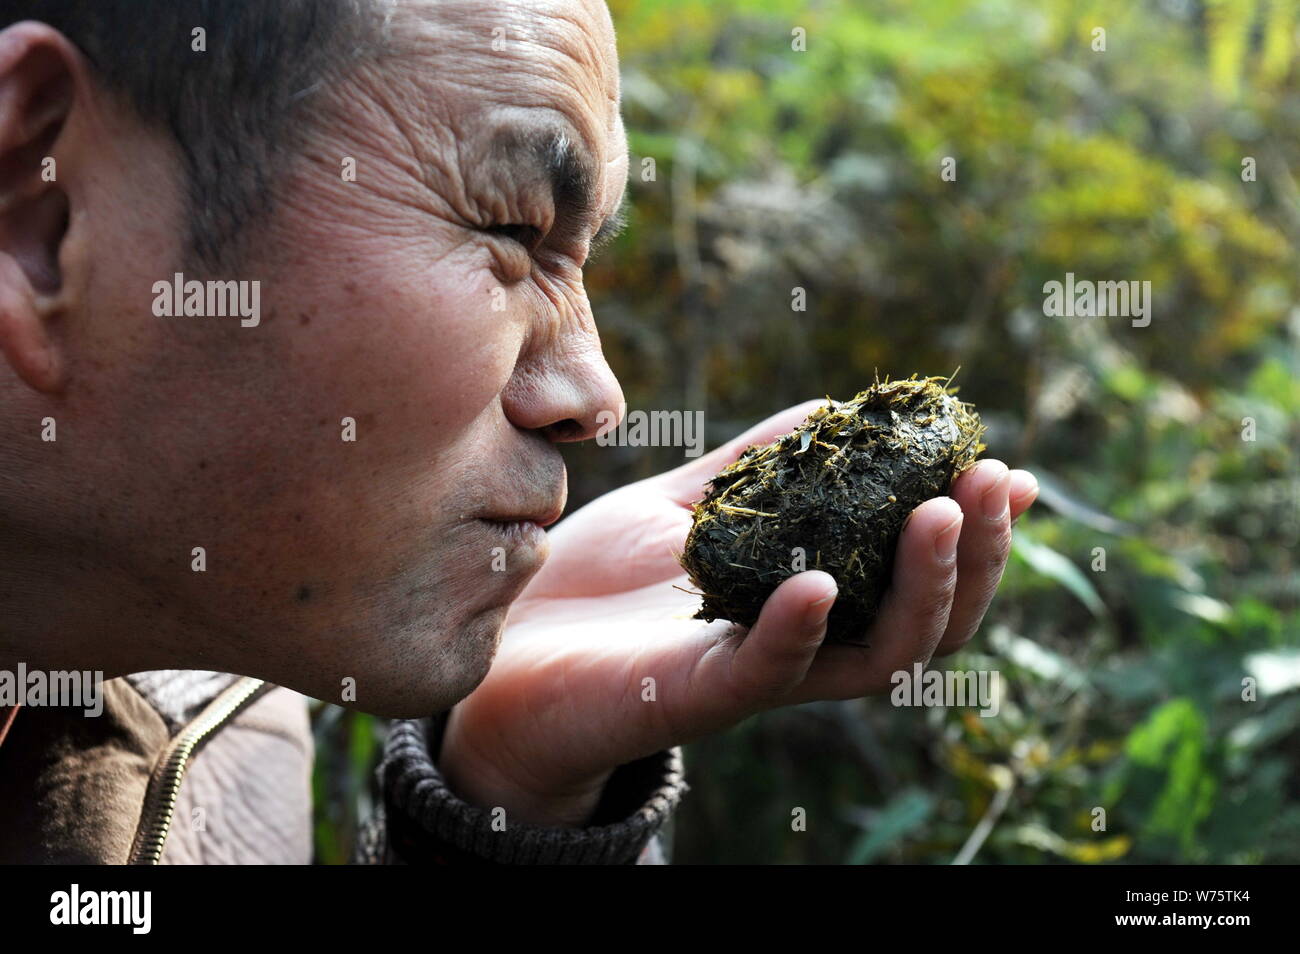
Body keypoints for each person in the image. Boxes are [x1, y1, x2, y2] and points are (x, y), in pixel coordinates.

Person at [0, 0, 1038, 864]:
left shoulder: (229, 709)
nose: (595, 395)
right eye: (510, 230)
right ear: (42, 218)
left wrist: (506, 792)